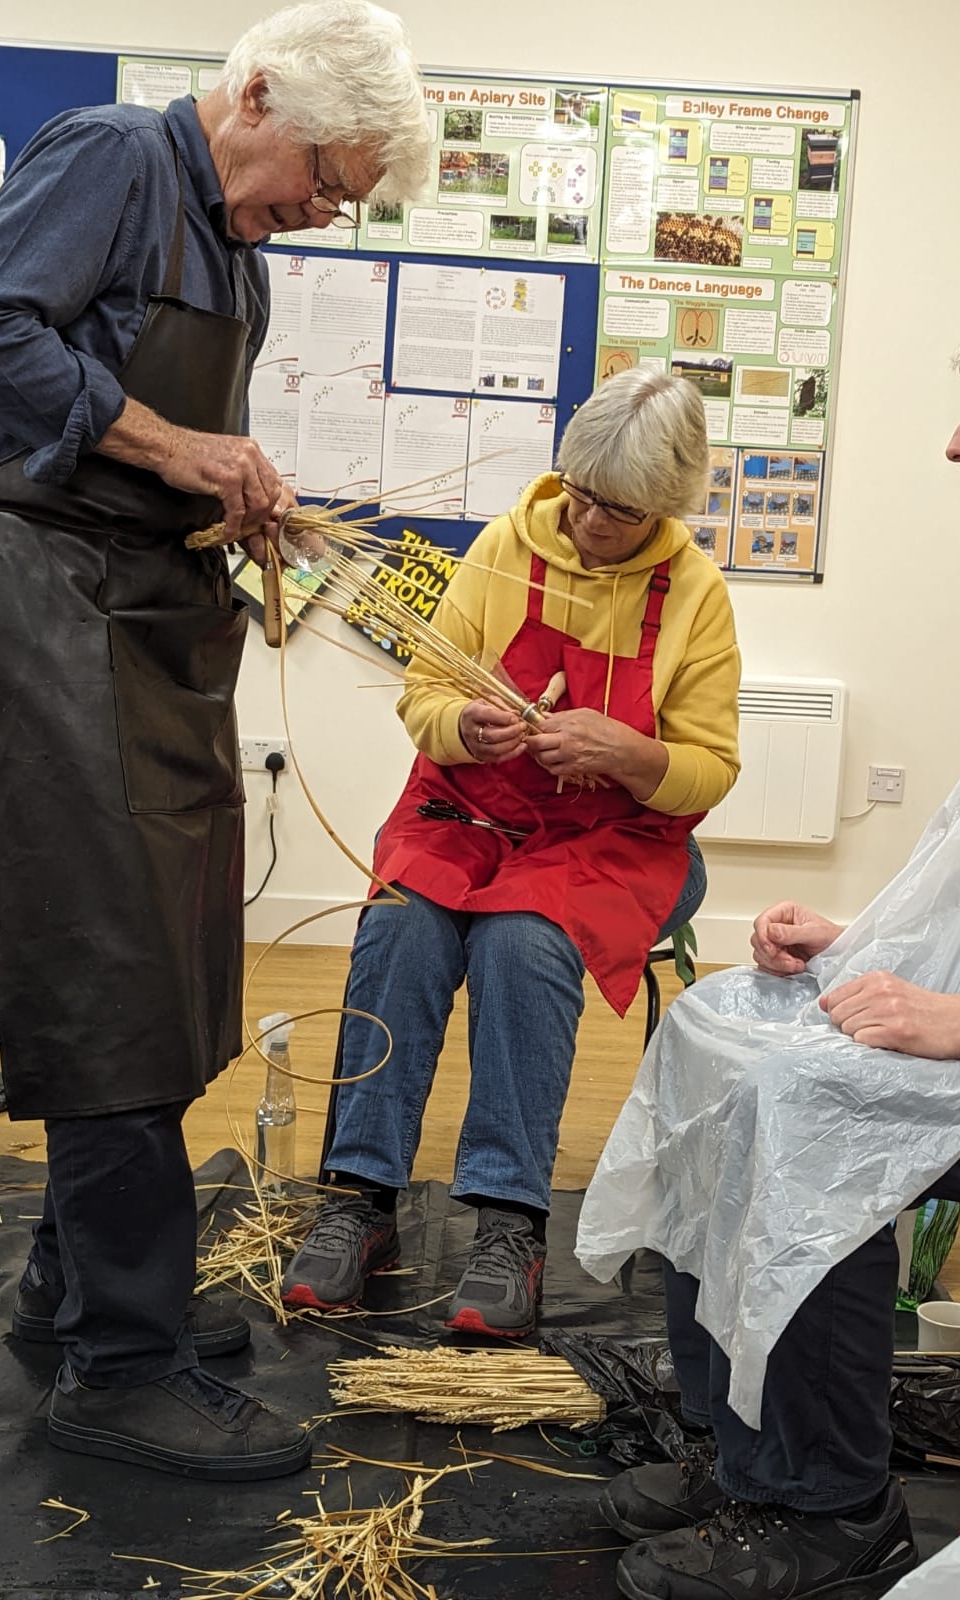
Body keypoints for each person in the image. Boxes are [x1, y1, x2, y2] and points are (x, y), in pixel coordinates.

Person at [0, 1, 428, 1480]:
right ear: (258, 93)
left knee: (181, 945)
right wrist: (169, 447)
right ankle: (122, 1365)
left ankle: (80, 1287)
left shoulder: (234, 250)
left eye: (344, 198)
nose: (320, 212)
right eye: (324, 179)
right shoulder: (112, 157)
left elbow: (158, 426)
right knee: (108, 956)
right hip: (48, 582)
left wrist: (222, 497)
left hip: (149, 598)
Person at [601, 278, 960, 1599]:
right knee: (715, 1032)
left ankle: (826, 1516)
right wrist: (869, 942)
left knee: (812, 1099)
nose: (959, 441)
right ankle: (737, 1440)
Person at [282, 369, 741, 1335]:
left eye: (614, 511)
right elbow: (422, 701)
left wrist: (633, 753)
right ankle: (358, 1198)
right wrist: (465, 726)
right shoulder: (504, 547)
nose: (584, 522)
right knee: (401, 928)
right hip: (466, 810)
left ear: (662, 506)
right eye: (576, 494)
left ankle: (508, 1217)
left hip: (606, 835)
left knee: (522, 944)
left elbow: (711, 771)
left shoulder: (695, 594)